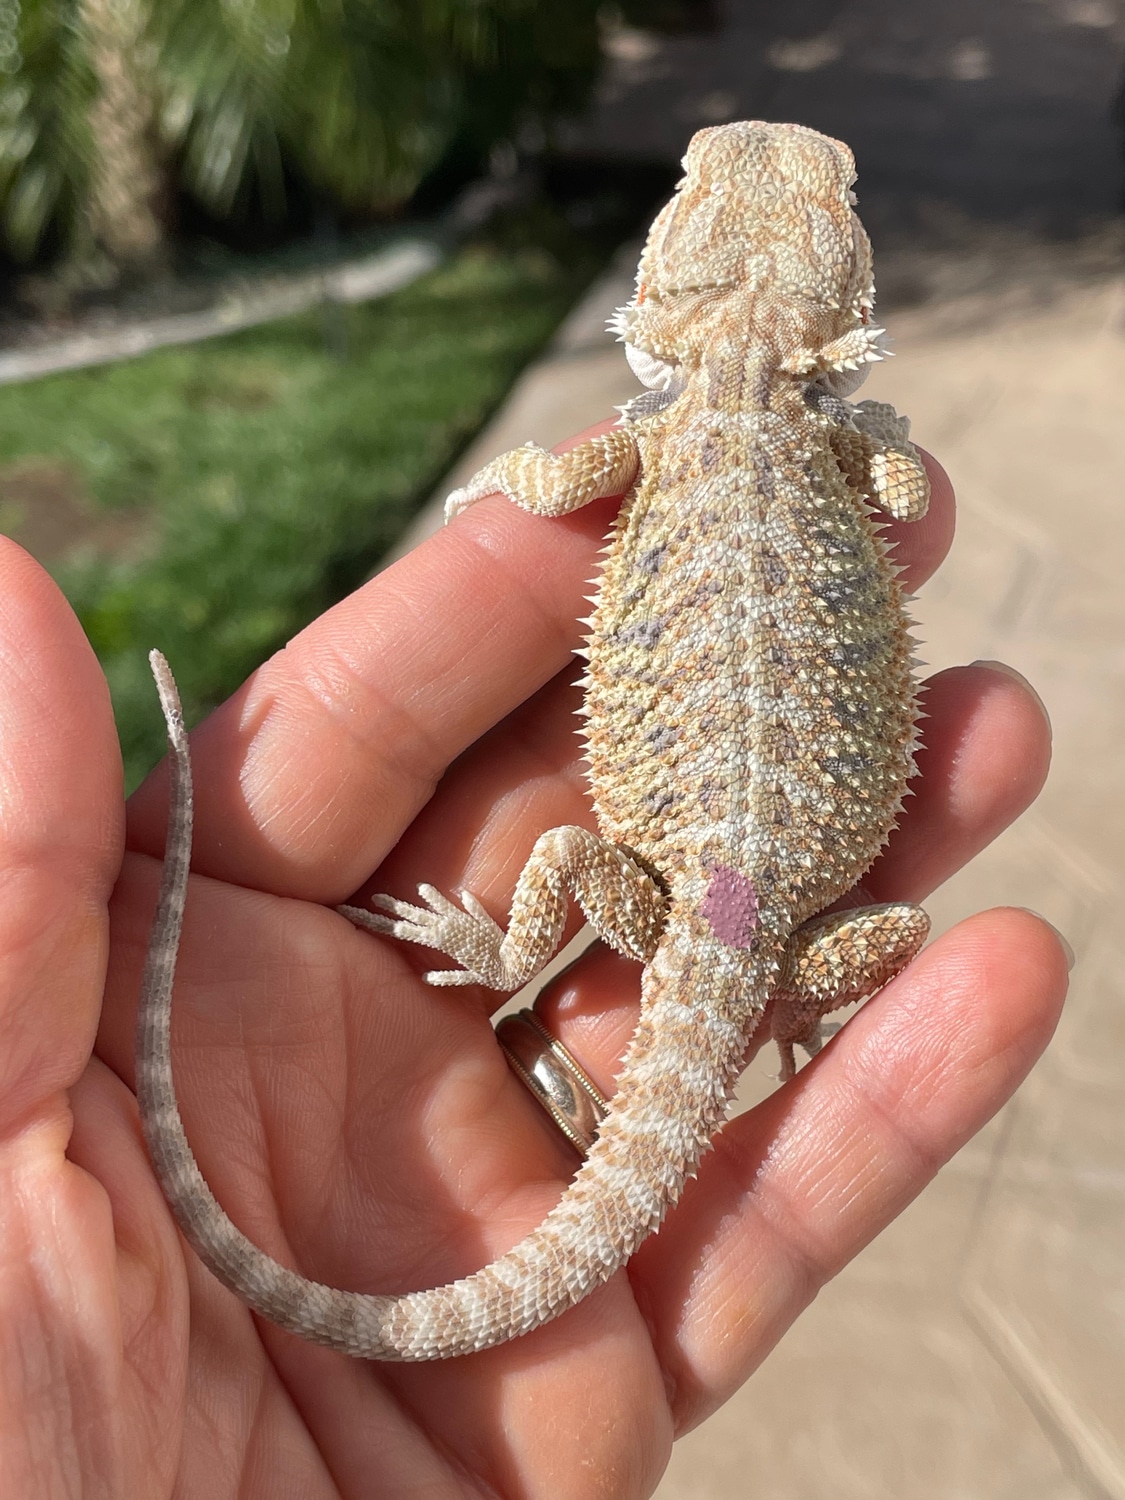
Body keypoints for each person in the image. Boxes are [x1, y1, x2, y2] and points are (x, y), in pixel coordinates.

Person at [0, 425, 1067, 1496]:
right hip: (749, 908)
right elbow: (901, 489)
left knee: (564, 852)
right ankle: (769, 1000)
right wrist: (885, 436)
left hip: (717, 893)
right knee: (879, 928)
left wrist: (508, 478)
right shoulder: (842, 441)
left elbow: (555, 482)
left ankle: (509, 954)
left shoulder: (663, 432)